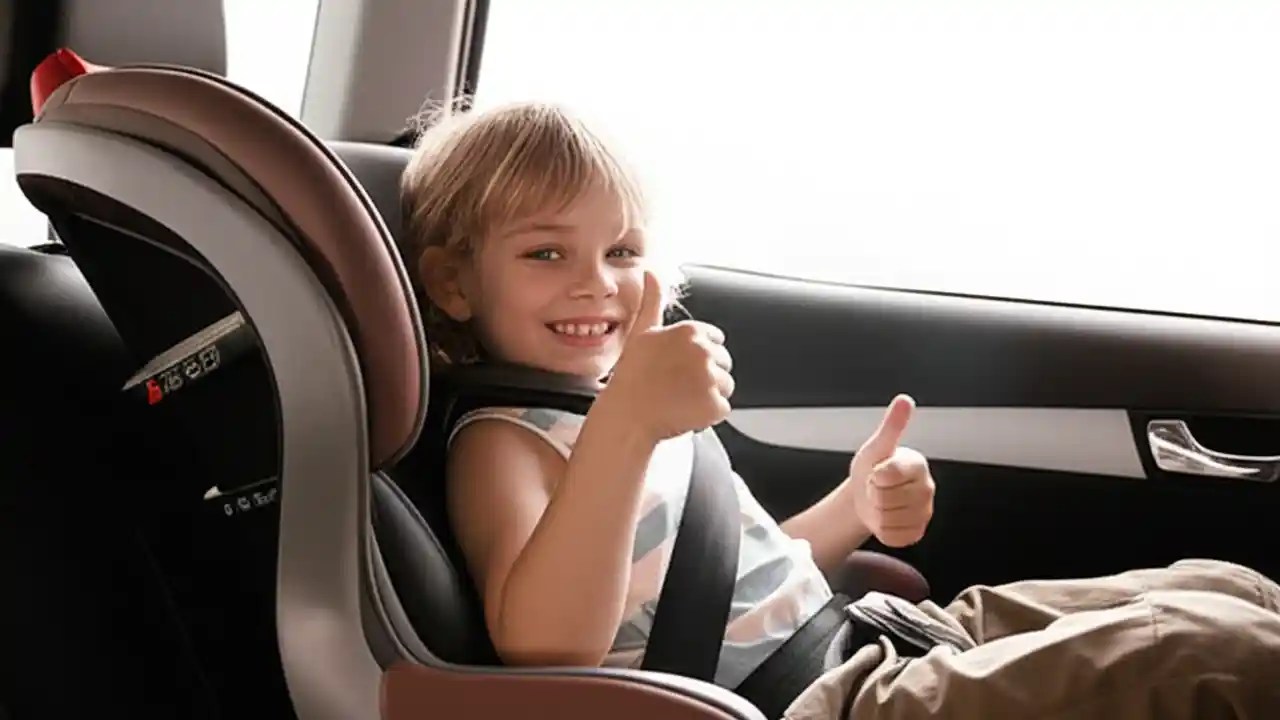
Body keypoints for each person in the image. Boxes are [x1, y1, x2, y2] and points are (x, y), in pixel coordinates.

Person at [399, 99, 1280, 719]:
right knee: (1211, 655)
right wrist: (627, 428)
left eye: (623, 249)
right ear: (453, 281)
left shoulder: (611, 408)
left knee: (1218, 585)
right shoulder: (503, 443)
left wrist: (852, 509)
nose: (599, 282)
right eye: (547, 252)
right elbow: (546, 652)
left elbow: (742, 573)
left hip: (864, 636)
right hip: (808, 703)